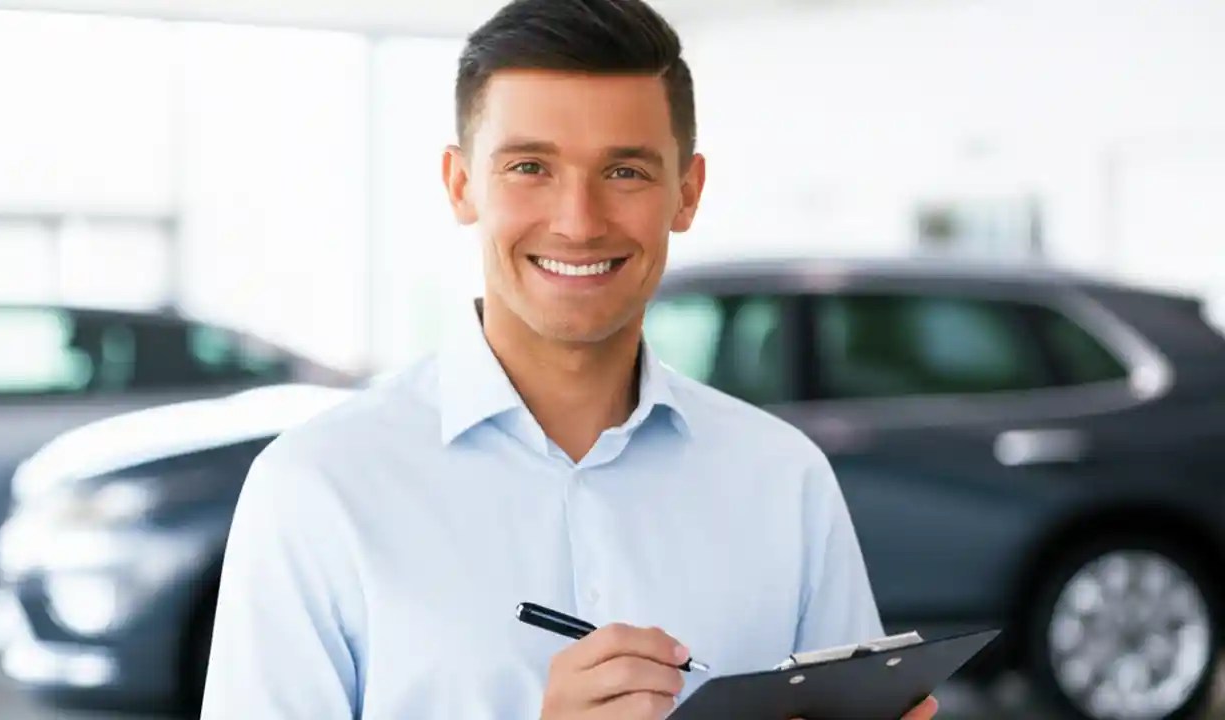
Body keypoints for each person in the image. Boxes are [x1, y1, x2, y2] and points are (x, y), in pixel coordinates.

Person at [199, 0, 939, 718]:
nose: (578, 222)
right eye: (530, 167)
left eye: (625, 172)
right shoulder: (317, 488)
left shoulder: (784, 479)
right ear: (461, 185)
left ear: (687, 193)